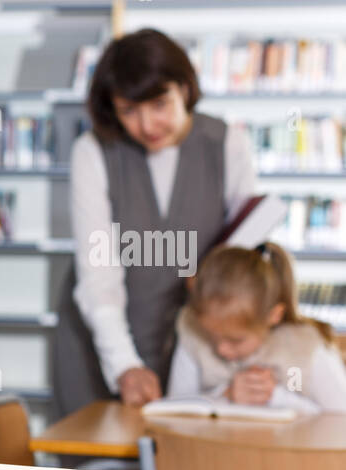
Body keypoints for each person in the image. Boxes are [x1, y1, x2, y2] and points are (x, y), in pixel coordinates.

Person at [56, 28, 257, 415]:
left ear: (183, 87)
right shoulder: (93, 152)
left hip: (197, 346)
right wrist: (125, 365)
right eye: (129, 110)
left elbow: (243, 261)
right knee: (100, 467)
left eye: (159, 104)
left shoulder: (227, 143)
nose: (147, 125)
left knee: (192, 461)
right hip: (101, 343)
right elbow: (100, 278)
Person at [168, 241, 346, 413]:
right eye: (212, 337)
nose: (222, 349)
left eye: (235, 340)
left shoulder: (298, 356)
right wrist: (226, 395)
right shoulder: (194, 336)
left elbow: (338, 417)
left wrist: (275, 396)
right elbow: (175, 408)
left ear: (273, 316)